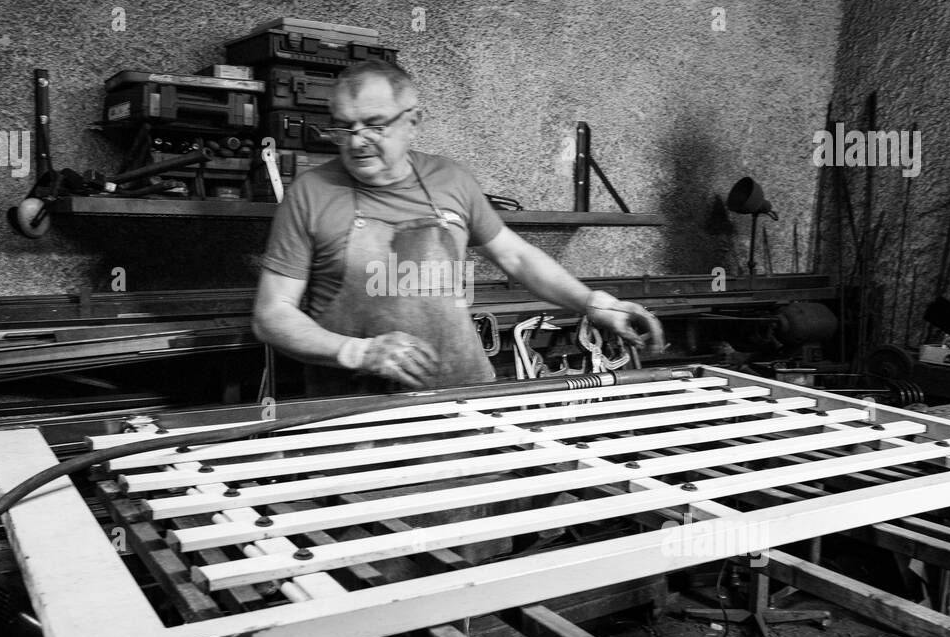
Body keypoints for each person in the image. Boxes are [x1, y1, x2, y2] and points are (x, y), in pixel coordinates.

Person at [254, 59, 663, 395]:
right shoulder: (311, 193)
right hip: (353, 411)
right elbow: (272, 315)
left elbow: (516, 257)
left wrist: (593, 304)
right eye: (343, 126)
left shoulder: (451, 180)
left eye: (374, 125)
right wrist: (355, 351)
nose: (356, 141)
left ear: (412, 121)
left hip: (461, 394)